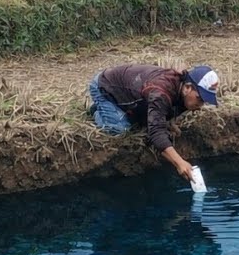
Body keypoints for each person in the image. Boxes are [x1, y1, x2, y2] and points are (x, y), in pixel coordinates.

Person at [89, 63, 221, 182]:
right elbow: (155, 133)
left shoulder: (182, 90)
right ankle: (96, 109)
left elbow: (167, 109)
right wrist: (179, 162)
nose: (201, 105)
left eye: (204, 101)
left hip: (135, 93)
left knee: (143, 120)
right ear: (187, 87)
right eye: (199, 99)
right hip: (105, 86)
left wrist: (167, 122)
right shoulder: (160, 91)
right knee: (119, 128)